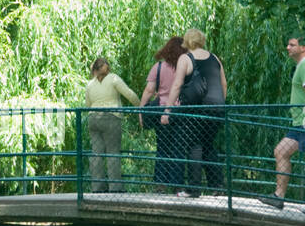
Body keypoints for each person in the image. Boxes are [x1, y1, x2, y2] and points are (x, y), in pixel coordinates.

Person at [263, 36, 305, 209]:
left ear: (304, 47)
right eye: (288, 44)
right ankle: (278, 196)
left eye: (292, 45)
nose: (288, 47)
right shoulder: (303, 65)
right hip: (300, 123)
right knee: (281, 152)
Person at [161, 28, 227, 196]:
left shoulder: (186, 58)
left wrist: (167, 111)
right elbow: (223, 84)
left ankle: (194, 189)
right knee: (209, 146)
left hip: (196, 109)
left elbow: (177, 85)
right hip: (216, 109)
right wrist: (220, 105)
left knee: (194, 146)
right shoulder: (215, 58)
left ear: (187, 41)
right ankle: (218, 186)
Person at [84, 55, 139, 192]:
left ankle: (97, 187)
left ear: (94, 70)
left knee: (96, 153)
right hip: (111, 117)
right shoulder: (114, 79)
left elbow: (87, 104)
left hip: (93, 119)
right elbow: (129, 94)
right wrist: (140, 106)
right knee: (112, 151)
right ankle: (115, 187)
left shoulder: (90, 84)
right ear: (108, 68)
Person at [138, 36, 187, 191]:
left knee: (163, 147)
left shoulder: (158, 67)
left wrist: (141, 110)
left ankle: (161, 183)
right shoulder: (185, 67)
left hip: (161, 110)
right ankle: (177, 185)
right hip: (180, 111)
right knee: (178, 148)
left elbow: (149, 90)